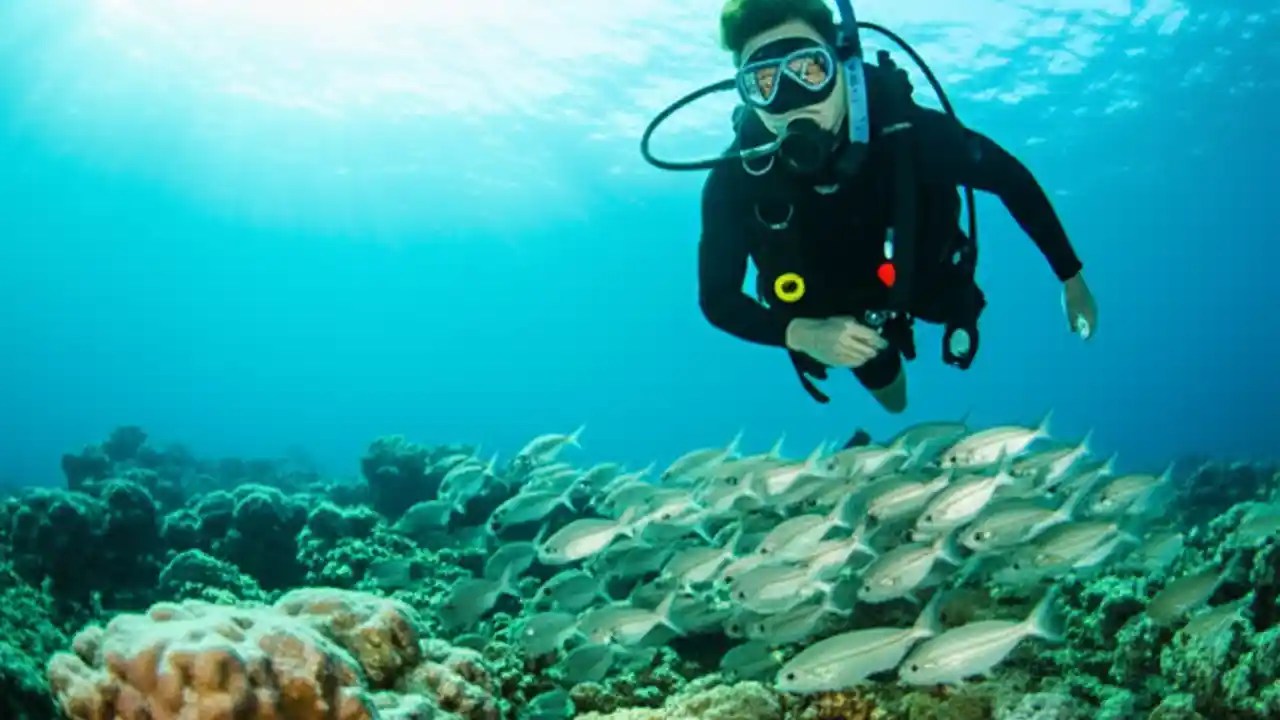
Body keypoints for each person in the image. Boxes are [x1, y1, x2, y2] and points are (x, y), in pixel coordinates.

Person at [663, 0, 1097, 413]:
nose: (792, 99)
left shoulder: (909, 133)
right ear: (745, 92)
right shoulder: (736, 179)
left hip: (924, 275)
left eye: (809, 70)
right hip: (835, 318)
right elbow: (717, 298)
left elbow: (1010, 178)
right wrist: (801, 334)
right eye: (764, 82)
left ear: (842, 59)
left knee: (949, 307)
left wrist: (1070, 276)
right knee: (893, 400)